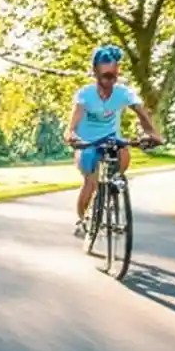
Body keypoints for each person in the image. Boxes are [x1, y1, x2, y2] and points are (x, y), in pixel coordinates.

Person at [64, 45, 165, 237]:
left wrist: (152, 133)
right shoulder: (85, 95)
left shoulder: (123, 93)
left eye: (114, 76)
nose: (111, 81)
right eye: (106, 76)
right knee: (90, 183)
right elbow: (72, 124)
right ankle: (82, 219)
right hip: (87, 141)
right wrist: (71, 136)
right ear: (95, 73)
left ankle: (111, 192)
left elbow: (142, 114)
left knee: (123, 155)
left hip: (112, 138)